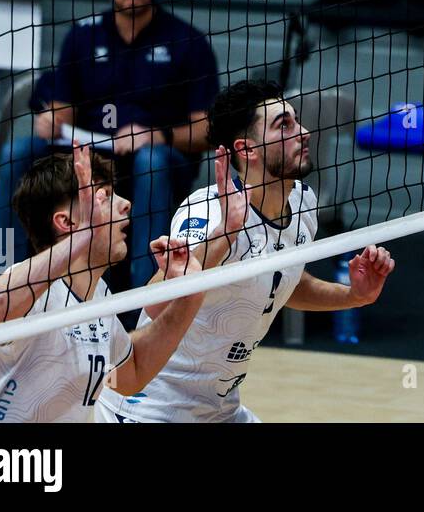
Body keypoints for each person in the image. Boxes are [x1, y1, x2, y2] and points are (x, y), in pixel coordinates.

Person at [95, 81, 395, 423]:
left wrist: (354, 296)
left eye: (297, 121)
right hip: (149, 409)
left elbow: (285, 280)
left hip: (220, 410)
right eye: (284, 125)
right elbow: (156, 298)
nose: (305, 132)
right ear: (247, 149)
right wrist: (224, 235)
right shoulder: (207, 211)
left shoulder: (302, 202)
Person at [0, 0, 221, 289]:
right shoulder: (83, 36)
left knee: (152, 161)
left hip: (157, 159)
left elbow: (207, 130)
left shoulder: (187, 41)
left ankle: (146, 298)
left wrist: (159, 134)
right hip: (90, 158)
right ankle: (6, 283)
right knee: (16, 153)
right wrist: (52, 119)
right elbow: (62, 107)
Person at [0, 144, 207, 422]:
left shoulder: (99, 298)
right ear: (67, 222)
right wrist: (82, 236)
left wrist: (191, 295)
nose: (125, 203)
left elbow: (130, 375)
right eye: (105, 197)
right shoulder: (35, 289)